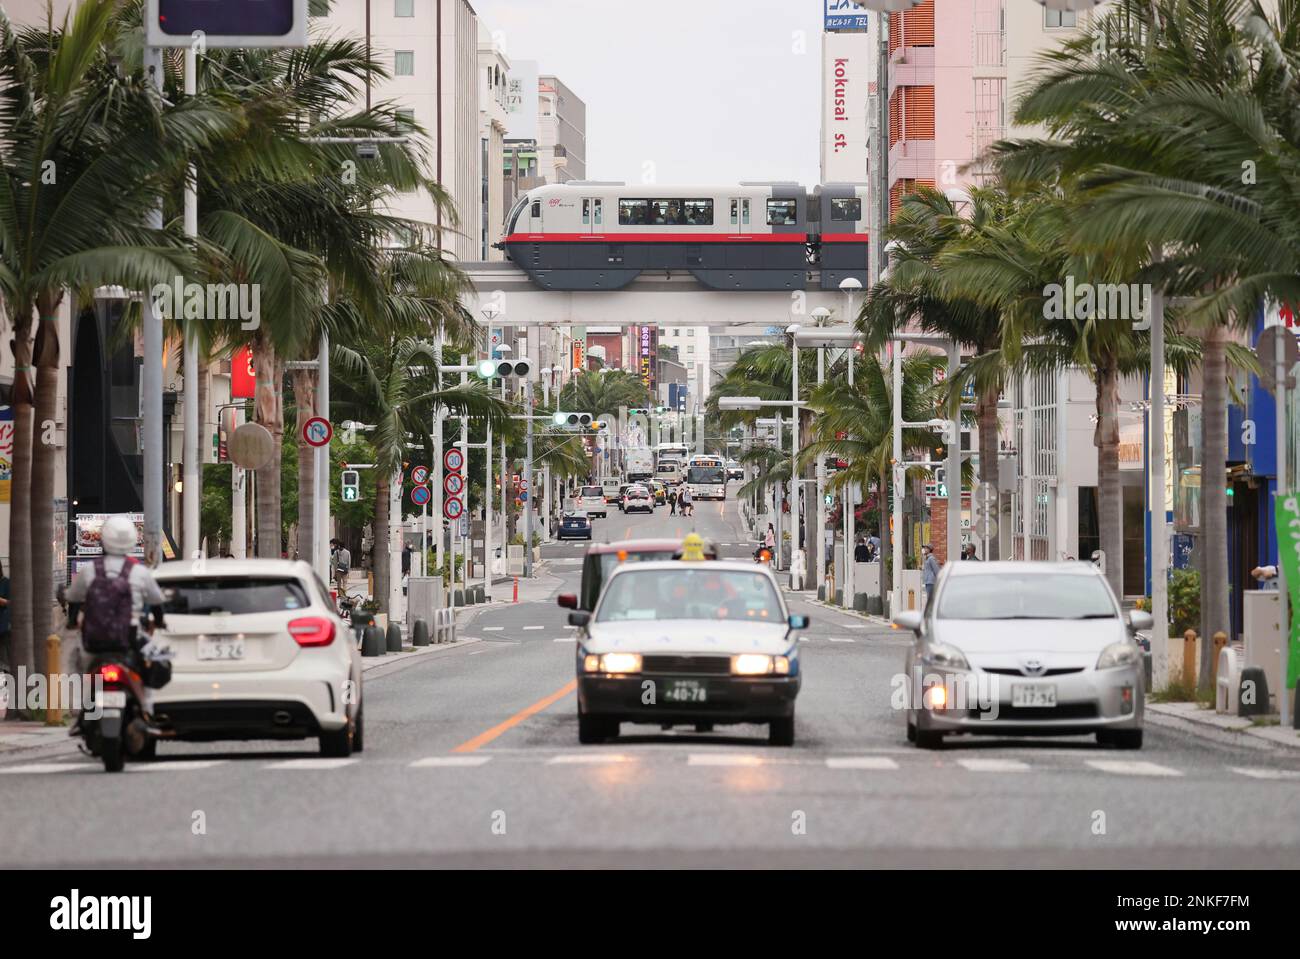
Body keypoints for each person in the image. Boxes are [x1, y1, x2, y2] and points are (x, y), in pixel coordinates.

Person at [64, 515, 167, 714]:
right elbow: (157, 603)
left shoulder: (89, 570)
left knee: (75, 662)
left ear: (103, 539)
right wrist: (160, 621)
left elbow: (74, 599)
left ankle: (77, 707)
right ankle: (147, 709)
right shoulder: (140, 572)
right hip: (131, 639)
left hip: (94, 641)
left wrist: (72, 621)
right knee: (148, 668)